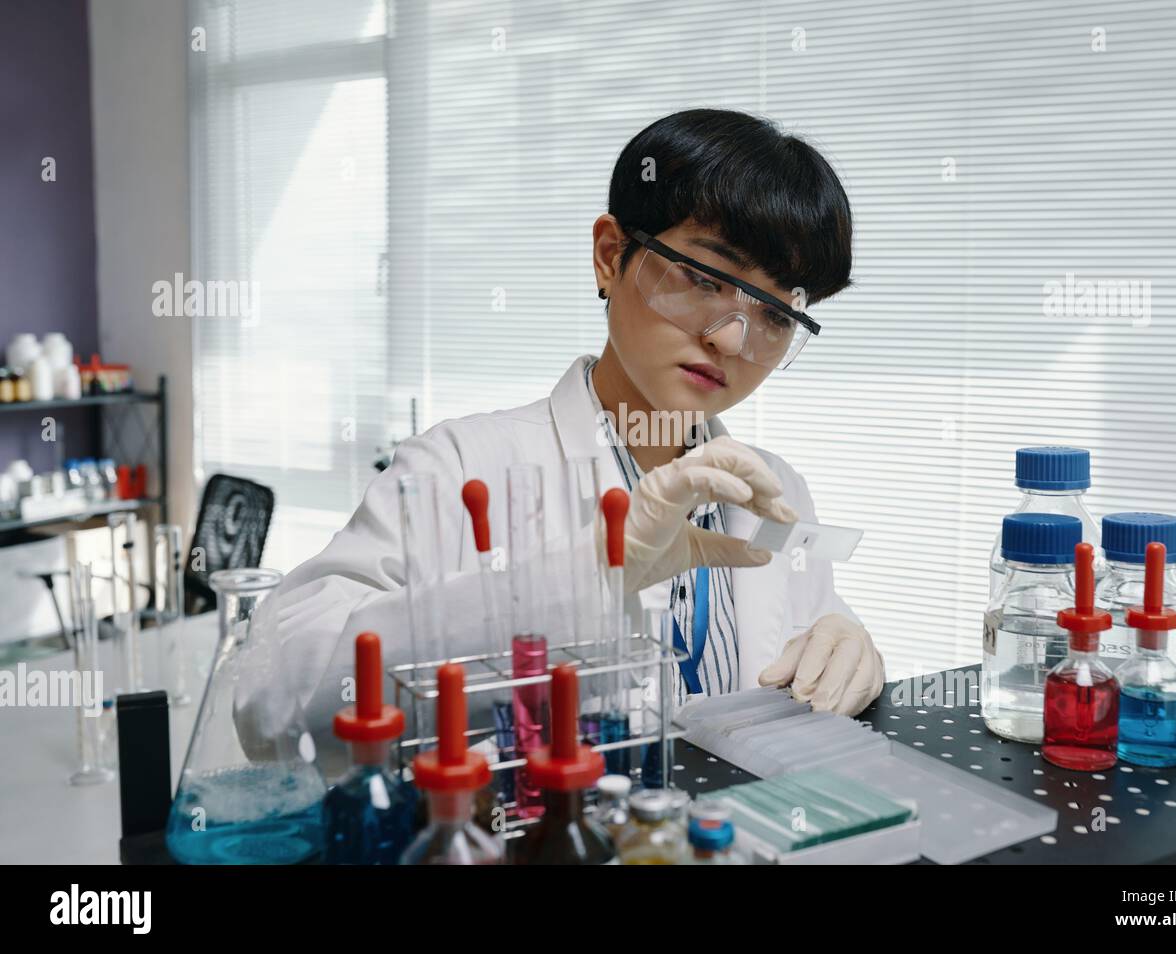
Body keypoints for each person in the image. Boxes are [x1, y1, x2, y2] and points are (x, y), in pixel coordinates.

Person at [261, 108, 885, 773]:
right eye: (704, 280)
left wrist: (848, 646)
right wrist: (584, 575)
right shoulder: (457, 468)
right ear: (611, 256)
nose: (733, 339)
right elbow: (272, 699)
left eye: (775, 314)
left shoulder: (776, 488)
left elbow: (812, 644)